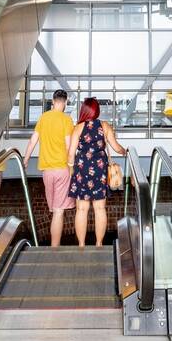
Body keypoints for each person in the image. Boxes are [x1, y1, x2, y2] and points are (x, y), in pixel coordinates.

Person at [67, 96, 126, 248]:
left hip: (82, 170)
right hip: (100, 170)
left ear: (84, 111)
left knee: (81, 209)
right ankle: (99, 244)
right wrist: (125, 152)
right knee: (100, 209)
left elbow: (70, 153)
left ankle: (81, 245)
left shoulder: (78, 128)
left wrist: (71, 170)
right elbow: (116, 147)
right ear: (97, 110)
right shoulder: (105, 126)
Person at [22, 88, 75, 247]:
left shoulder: (43, 118)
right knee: (59, 212)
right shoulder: (66, 120)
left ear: (52, 101)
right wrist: (72, 168)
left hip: (46, 171)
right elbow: (68, 146)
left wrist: (25, 159)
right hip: (62, 169)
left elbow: (33, 140)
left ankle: (53, 246)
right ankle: (54, 248)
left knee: (53, 210)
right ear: (65, 103)